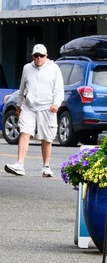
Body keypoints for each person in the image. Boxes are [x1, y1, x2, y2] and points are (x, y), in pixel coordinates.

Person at [7, 44, 64, 178]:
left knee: (46, 138)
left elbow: (59, 89)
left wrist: (56, 104)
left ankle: (46, 166)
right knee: (24, 133)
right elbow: (22, 89)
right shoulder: (27, 68)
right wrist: (19, 106)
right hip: (29, 106)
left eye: (41, 56)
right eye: (36, 56)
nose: (39, 58)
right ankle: (20, 164)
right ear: (32, 56)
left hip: (47, 107)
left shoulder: (54, 68)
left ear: (46, 56)